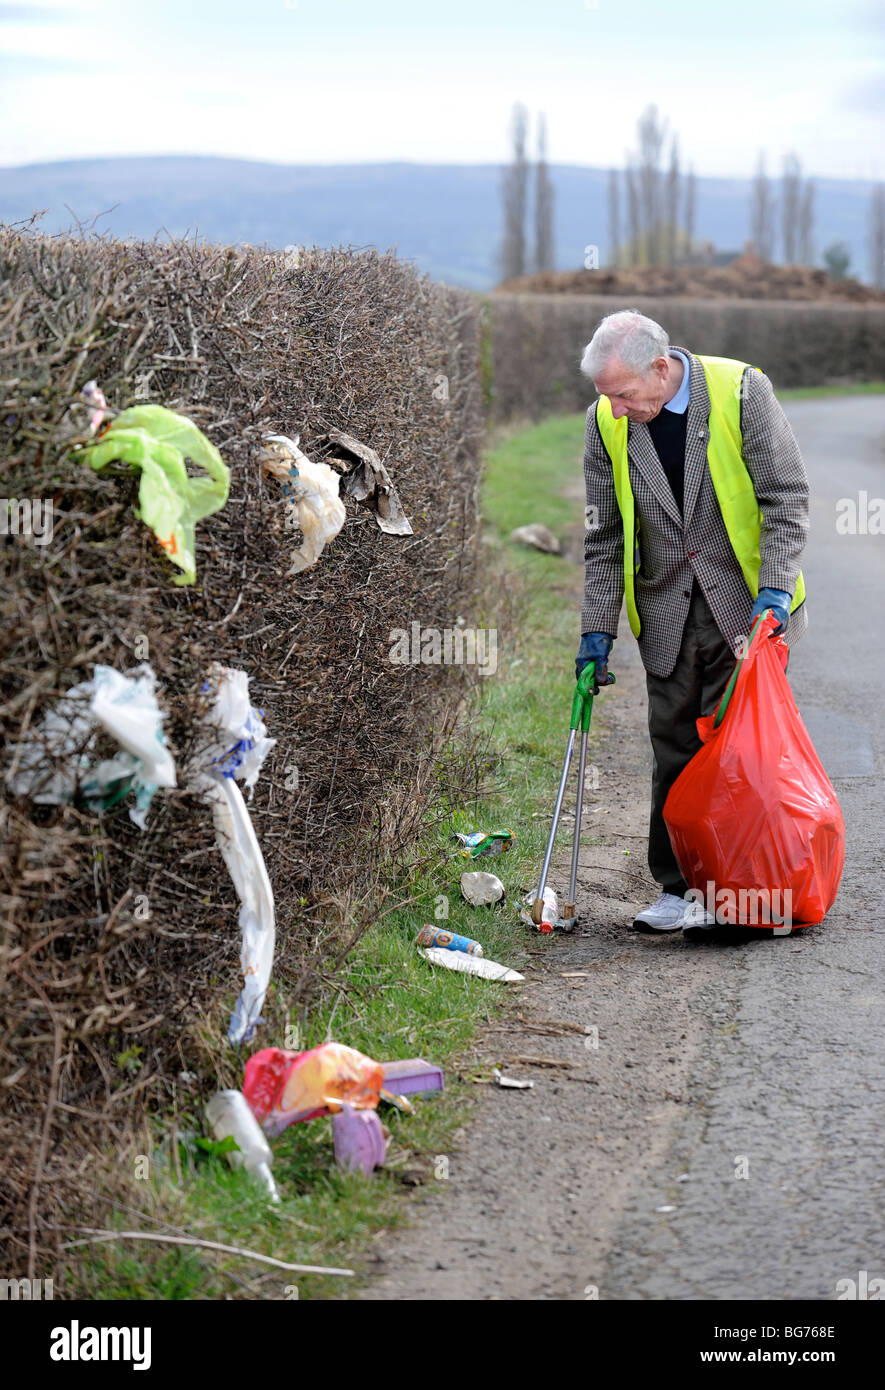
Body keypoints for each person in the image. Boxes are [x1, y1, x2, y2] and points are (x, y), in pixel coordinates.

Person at [576, 310, 809, 940]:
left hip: (748, 607)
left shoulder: (740, 390)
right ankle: (679, 887)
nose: (616, 410)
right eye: (606, 396)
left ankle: (740, 890)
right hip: (666, 609)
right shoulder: (606, 421)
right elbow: (606, 536)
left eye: (623, 394)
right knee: (674, 744)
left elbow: (785, 497)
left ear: (661, 367)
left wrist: (777, 592)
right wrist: (595, 631)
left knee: (738, 752)